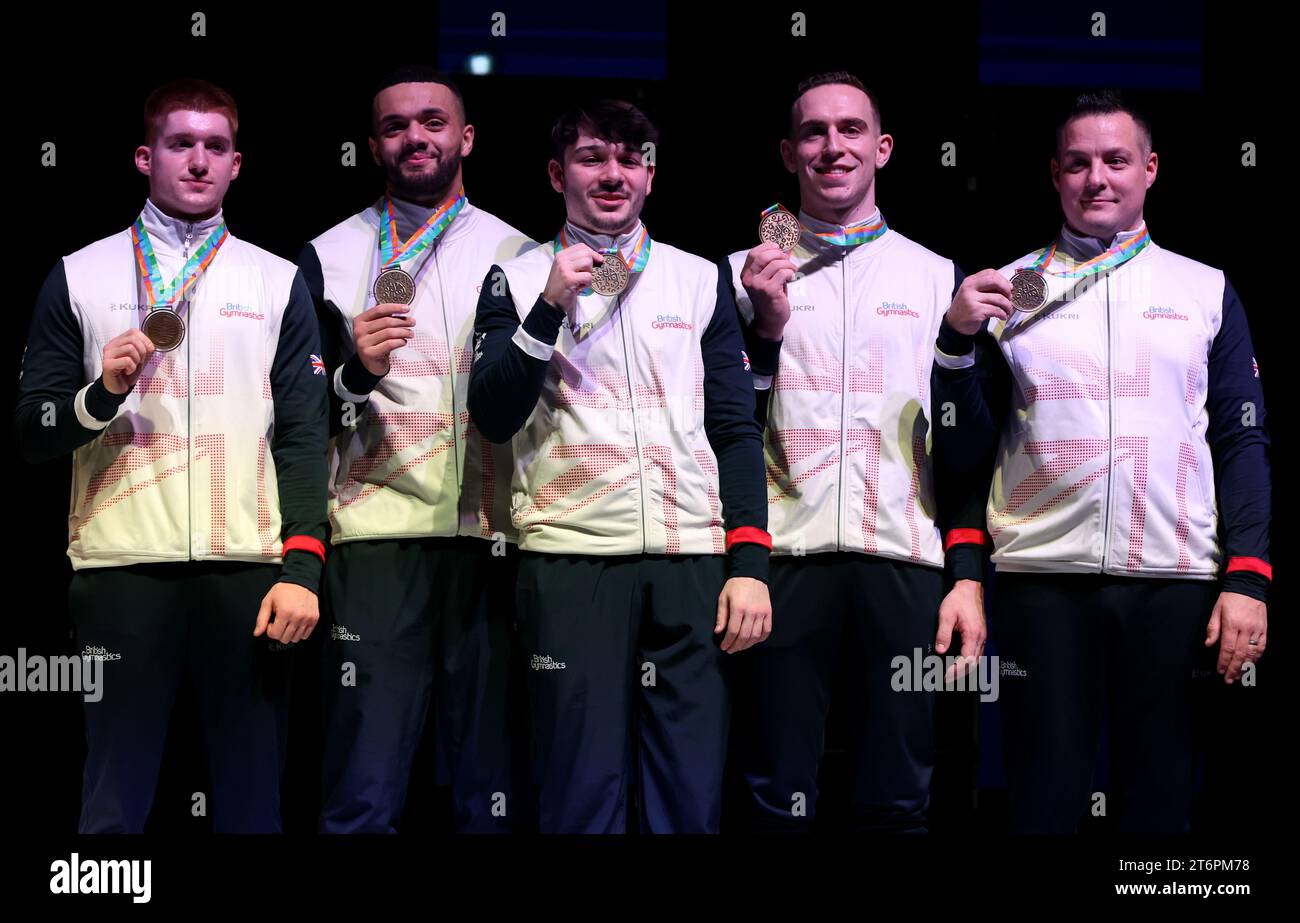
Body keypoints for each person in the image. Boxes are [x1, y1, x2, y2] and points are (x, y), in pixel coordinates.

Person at [932, 90, 1271, 833]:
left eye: (1116, 161)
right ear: (1054, 174)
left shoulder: (1203, 288)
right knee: (1040, 808)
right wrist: (955, 342)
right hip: (1041, 585)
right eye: (1078, 163)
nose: (1097, 178)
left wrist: (1248, 575)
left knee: (1161, 812)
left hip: (1174, 584)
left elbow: (1241, 441)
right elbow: (964, 449)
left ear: (1150, 169)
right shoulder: (1013, 289)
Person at [15, 78, 328, 833]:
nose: (198, 161)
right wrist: (100, 394)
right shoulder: (80, 274)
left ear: (237, 163)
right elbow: (32, 431)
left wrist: (303, 567)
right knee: (114, 798)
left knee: (254, 803)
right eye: (181, 144)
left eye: (215, 146)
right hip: (121, 573)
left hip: (247, 573)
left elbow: (304, 436)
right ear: (144, 156)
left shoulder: (278, 281)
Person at [467, 99, 772, 833]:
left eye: (631, 158)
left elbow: (734, 429)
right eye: (593, 157)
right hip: (571, 560)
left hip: (690, 561)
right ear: (555, 172)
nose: (614, 174)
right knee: (579, 794)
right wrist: (547, 308)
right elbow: (494, 414)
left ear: (650, 174)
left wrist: (750, 562)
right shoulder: (516, 278)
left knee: (689, 797)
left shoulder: (698, 280)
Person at [725, 72, 987, 833]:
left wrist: (966, 576)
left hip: (902, 565)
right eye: (813, 132)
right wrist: (763, 333)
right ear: (787, 151)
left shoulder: (939, 276)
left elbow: (964, 446)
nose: (831, 146)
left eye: (849, 130)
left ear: (883, 148)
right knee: (773, 789)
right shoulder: (744, 274)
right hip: (781, 564)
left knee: (898, 795)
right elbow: (722, 432)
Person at [299, 66, 535, 833]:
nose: (415, 137)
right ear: (373, 146)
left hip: (492, 539)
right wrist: (351, 374)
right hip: (374, 541)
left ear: (465, 137)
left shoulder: (522, 252)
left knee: (488, 786)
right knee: (364, 787)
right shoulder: (327, 257)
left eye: (433, 121)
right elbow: (302, 417)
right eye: (396, 126)